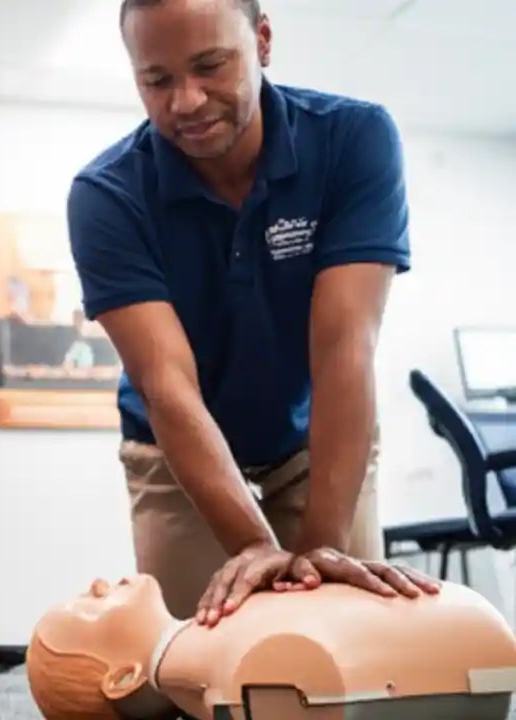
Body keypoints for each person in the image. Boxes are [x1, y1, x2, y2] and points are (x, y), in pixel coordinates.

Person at [65, 0, 436, 625]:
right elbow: (167, 384)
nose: (186, 101)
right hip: (173, 450)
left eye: (210, 65)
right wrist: (254, 546)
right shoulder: (107, 194)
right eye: (157, 80)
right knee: (204, 657)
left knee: (350, 637)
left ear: (262, 41)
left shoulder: (354, 140)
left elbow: (346, 345)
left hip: (310, 438)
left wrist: (318, 551)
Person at [25, 573, 513, 720]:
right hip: (474, 636)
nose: (92, 584)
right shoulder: (232, 669)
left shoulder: (215, 634)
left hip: (470, 633)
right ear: (123, 677)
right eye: (81, 611)